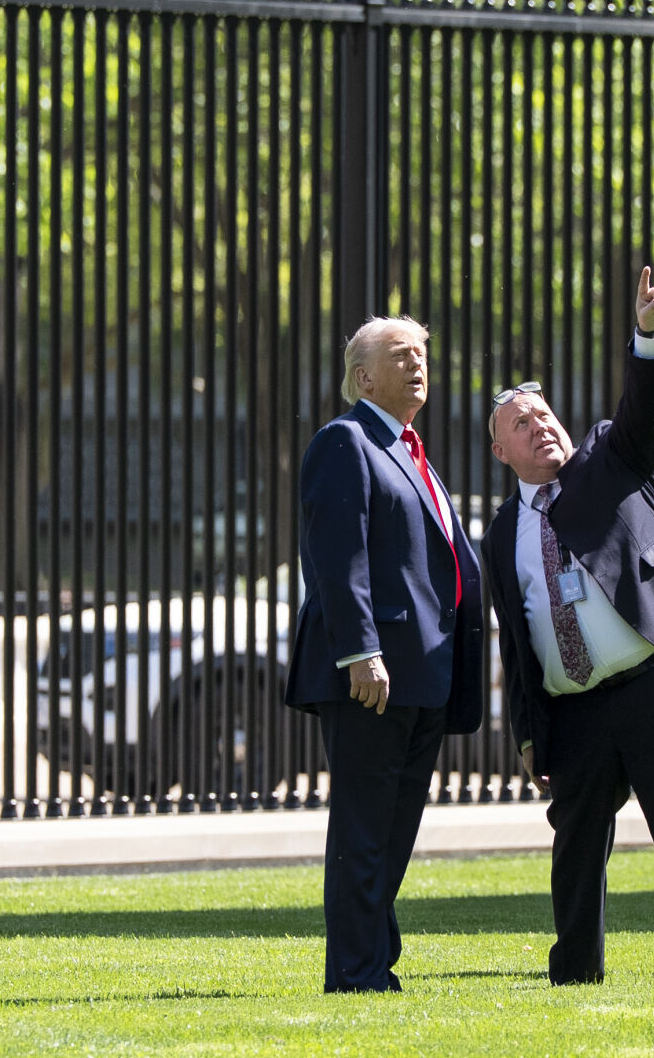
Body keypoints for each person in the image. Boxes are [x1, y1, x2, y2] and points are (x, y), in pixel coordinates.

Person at [480, 266, 654, 985]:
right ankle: (575, 970)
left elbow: (644, 406)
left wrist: (649, 337)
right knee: (576, 845)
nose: (540, 427)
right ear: (501, 453)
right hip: (578, 708)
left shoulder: (608, 458)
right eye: (521, 425)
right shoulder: (501, 533)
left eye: (544, 415)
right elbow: (517, 640)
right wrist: (527, 730)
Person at [284, 315, 485, 993]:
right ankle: (355, 972)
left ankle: (373, 960)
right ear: (364, 375)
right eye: (402, 355)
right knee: (365, 831)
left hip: (424, 674)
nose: (419, 364)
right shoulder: (346, 441)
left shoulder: (410, 448)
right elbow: (338, 556)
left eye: (424, 352)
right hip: (374, 675)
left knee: (393, 833)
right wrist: (360, 649)